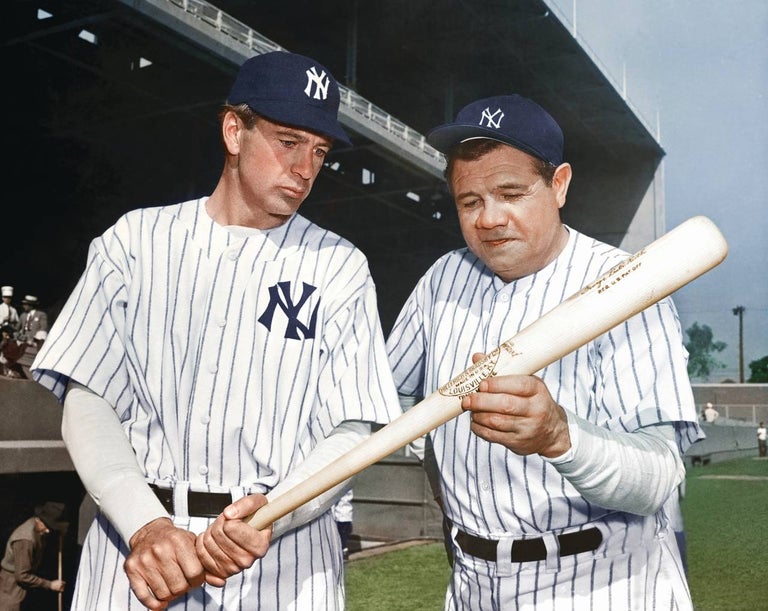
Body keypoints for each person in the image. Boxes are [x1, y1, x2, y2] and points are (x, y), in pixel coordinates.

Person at [31, 50, 401, 611]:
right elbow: (89, 401)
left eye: (320, 151)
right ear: (235, 130)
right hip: (139, 551)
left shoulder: (338, 266)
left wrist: (279, 511)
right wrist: (144, 525)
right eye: (288, 141)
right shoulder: (134, 242)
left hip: (281, 559)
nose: (305, 168)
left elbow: (350, 431)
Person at [386, 94, 700, 610]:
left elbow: (659, 475)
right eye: (470, 201)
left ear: (558, 185)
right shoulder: (442, 279)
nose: (489, 219)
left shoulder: (626, 285)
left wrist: (559, 435)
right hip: (472, 581)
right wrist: (445, 473)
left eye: (511, 193)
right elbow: (392, 400)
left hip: (602, 580)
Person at [0, 502, 67, 610]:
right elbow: (22, 576)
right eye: (47, 526)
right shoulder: (25, 540)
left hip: (25, 584)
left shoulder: (38, 528)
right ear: (38, 519)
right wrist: (50, 585)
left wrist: (60, 530)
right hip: (12, 587)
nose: (48, 530)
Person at [331, 489, 354, 560]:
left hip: (343, 515)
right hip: (342, 514)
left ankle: (343, 550)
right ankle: (343, 550)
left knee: (342, 532)